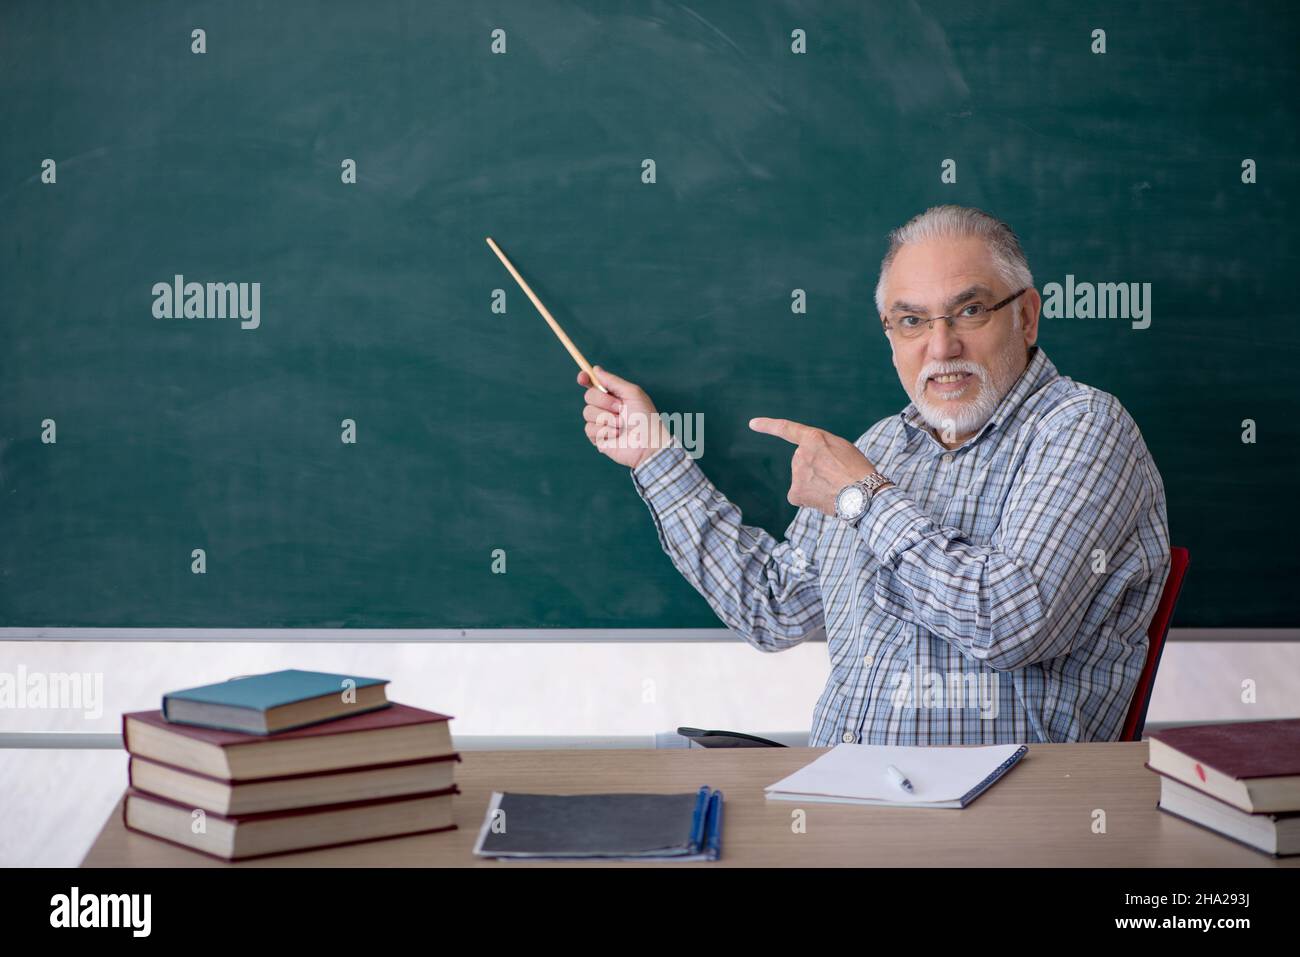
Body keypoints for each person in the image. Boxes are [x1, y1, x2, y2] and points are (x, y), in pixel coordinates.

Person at [578, 205, 1170, 745]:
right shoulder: (881, 446)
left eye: (969, 310)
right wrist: (656, 458)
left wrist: (864, 498)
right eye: (911, 321)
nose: (941, 347)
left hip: (1000, 816)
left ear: (1028, 317)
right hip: (841, 794)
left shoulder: (1084, 427)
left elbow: (1011, 623)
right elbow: (772, 608)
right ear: (890, 335)